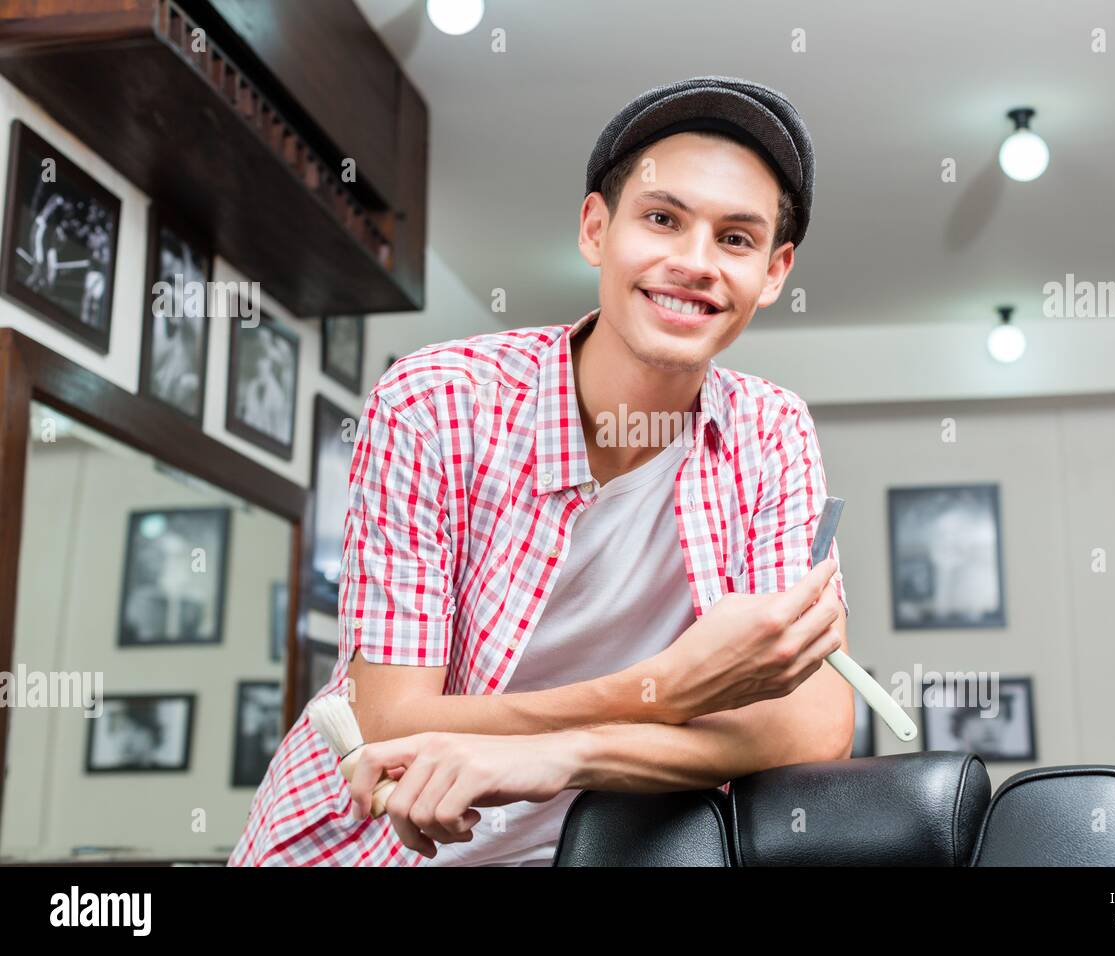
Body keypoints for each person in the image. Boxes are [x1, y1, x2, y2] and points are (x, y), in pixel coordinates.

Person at [230, 75, 852, 867]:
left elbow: (811, 725)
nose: (695, 263)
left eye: (736, 238)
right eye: (662, 219)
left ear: (773, 271)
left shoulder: (773, 432)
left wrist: (562, 757)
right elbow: (393, 724)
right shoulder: (436, 403)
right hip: (363, 844)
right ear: (596, 228)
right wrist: (667, 688)